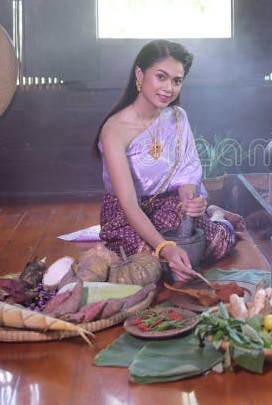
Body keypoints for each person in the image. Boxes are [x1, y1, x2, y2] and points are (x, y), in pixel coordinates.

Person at [94, 40, 240, 282]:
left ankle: (217, 216)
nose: (168, 88)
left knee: (215, 242)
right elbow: (129, 203)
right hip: (125, 212)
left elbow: (187, 173)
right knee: (149, 265)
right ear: (140, 74)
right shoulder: (114, 129)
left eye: (177, 81)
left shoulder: (178, 117)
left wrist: (190, 200)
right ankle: (205, 221)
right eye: (161, 77)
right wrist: (165, 249)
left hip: (167, 205)